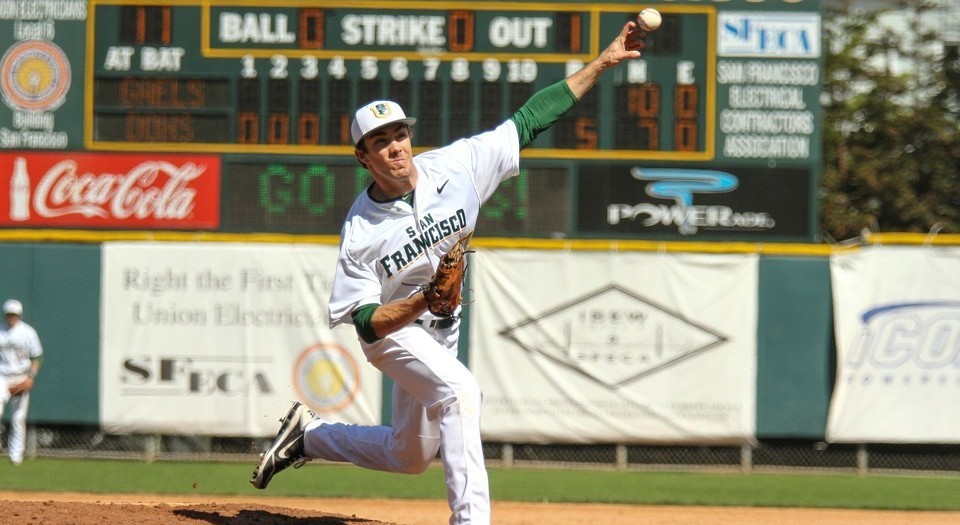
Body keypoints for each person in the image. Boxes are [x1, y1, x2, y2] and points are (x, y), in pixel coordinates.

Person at [251, 18, 648, 525]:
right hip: (395, 335)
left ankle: (310, 436)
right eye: (381, 141)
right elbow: (366, 322)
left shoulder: (457, 167)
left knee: (408, 456)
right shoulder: (361, 230)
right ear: (363, 157)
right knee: (461, 391)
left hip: (442, 333)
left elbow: (529, 120)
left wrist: (604, 61)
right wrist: (422, 301)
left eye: (400, 133)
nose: (396, 146)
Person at [0, 299, 43, 465]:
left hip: (21, 375)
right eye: (9, 314)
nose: (12, 317)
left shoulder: (27, 332)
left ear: (19, 315)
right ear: (5, 315)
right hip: (2, 375)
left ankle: (15, 457)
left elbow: (37, 356)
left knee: (18, 418)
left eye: (15, 314)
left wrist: (30, 378)